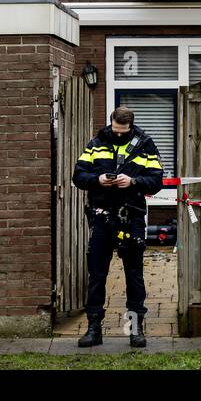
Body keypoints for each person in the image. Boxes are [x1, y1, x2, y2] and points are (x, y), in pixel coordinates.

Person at [71, 106, 164, 347]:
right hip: (101, 217)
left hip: (131, 217)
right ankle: (94, 329)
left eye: (123, 131)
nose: (118, 134)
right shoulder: (97, 142)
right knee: (97, 274)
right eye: (115, 130)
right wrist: (98, 180)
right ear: (111, 123)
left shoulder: (145, 144)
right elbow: (78, 176)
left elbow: (156, 181)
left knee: (134, 274)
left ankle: (135, 329)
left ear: (130, 127)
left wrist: (133, 182)